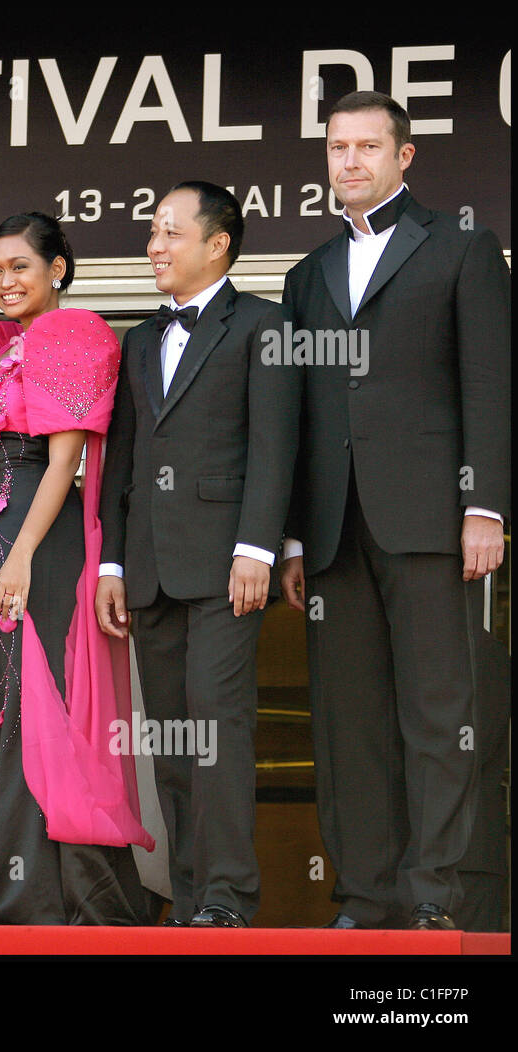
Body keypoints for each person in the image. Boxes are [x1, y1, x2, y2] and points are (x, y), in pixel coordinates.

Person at [279, 91, 509, 930]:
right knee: (351, 726)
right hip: (335, 531)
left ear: (404, 157)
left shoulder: (464, 248)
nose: (351, 161)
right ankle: (367, 897)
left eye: (368, 147)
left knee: (437, 715)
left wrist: (484, 504)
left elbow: (489, 382)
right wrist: (296, 530)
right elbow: (299, 415)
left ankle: (436, 899)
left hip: (431, 520)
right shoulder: (306, 276)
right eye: (339, 147)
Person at [0, 212, 153, 925]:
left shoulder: (77, 330)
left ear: (58, 270)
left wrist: (18, 559)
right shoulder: (2, 346)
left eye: (20, 266)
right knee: (2, 706)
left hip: (38, 545)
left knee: (33, 706)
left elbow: (66, 459)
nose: (5, 281)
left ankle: (38, 894)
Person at [96, 184, 302, 927]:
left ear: (217, 244)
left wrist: (258, 546)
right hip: (149, 571)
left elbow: (277, 446)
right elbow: (122, 458)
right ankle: (188, 903)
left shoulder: (264, 323)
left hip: (226, 567)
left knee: (218, 731)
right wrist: (113, 564)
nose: (155, 245)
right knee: (174, 743)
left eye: (169, 233)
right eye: (152, 232)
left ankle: (228, 898)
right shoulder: (139, 339)